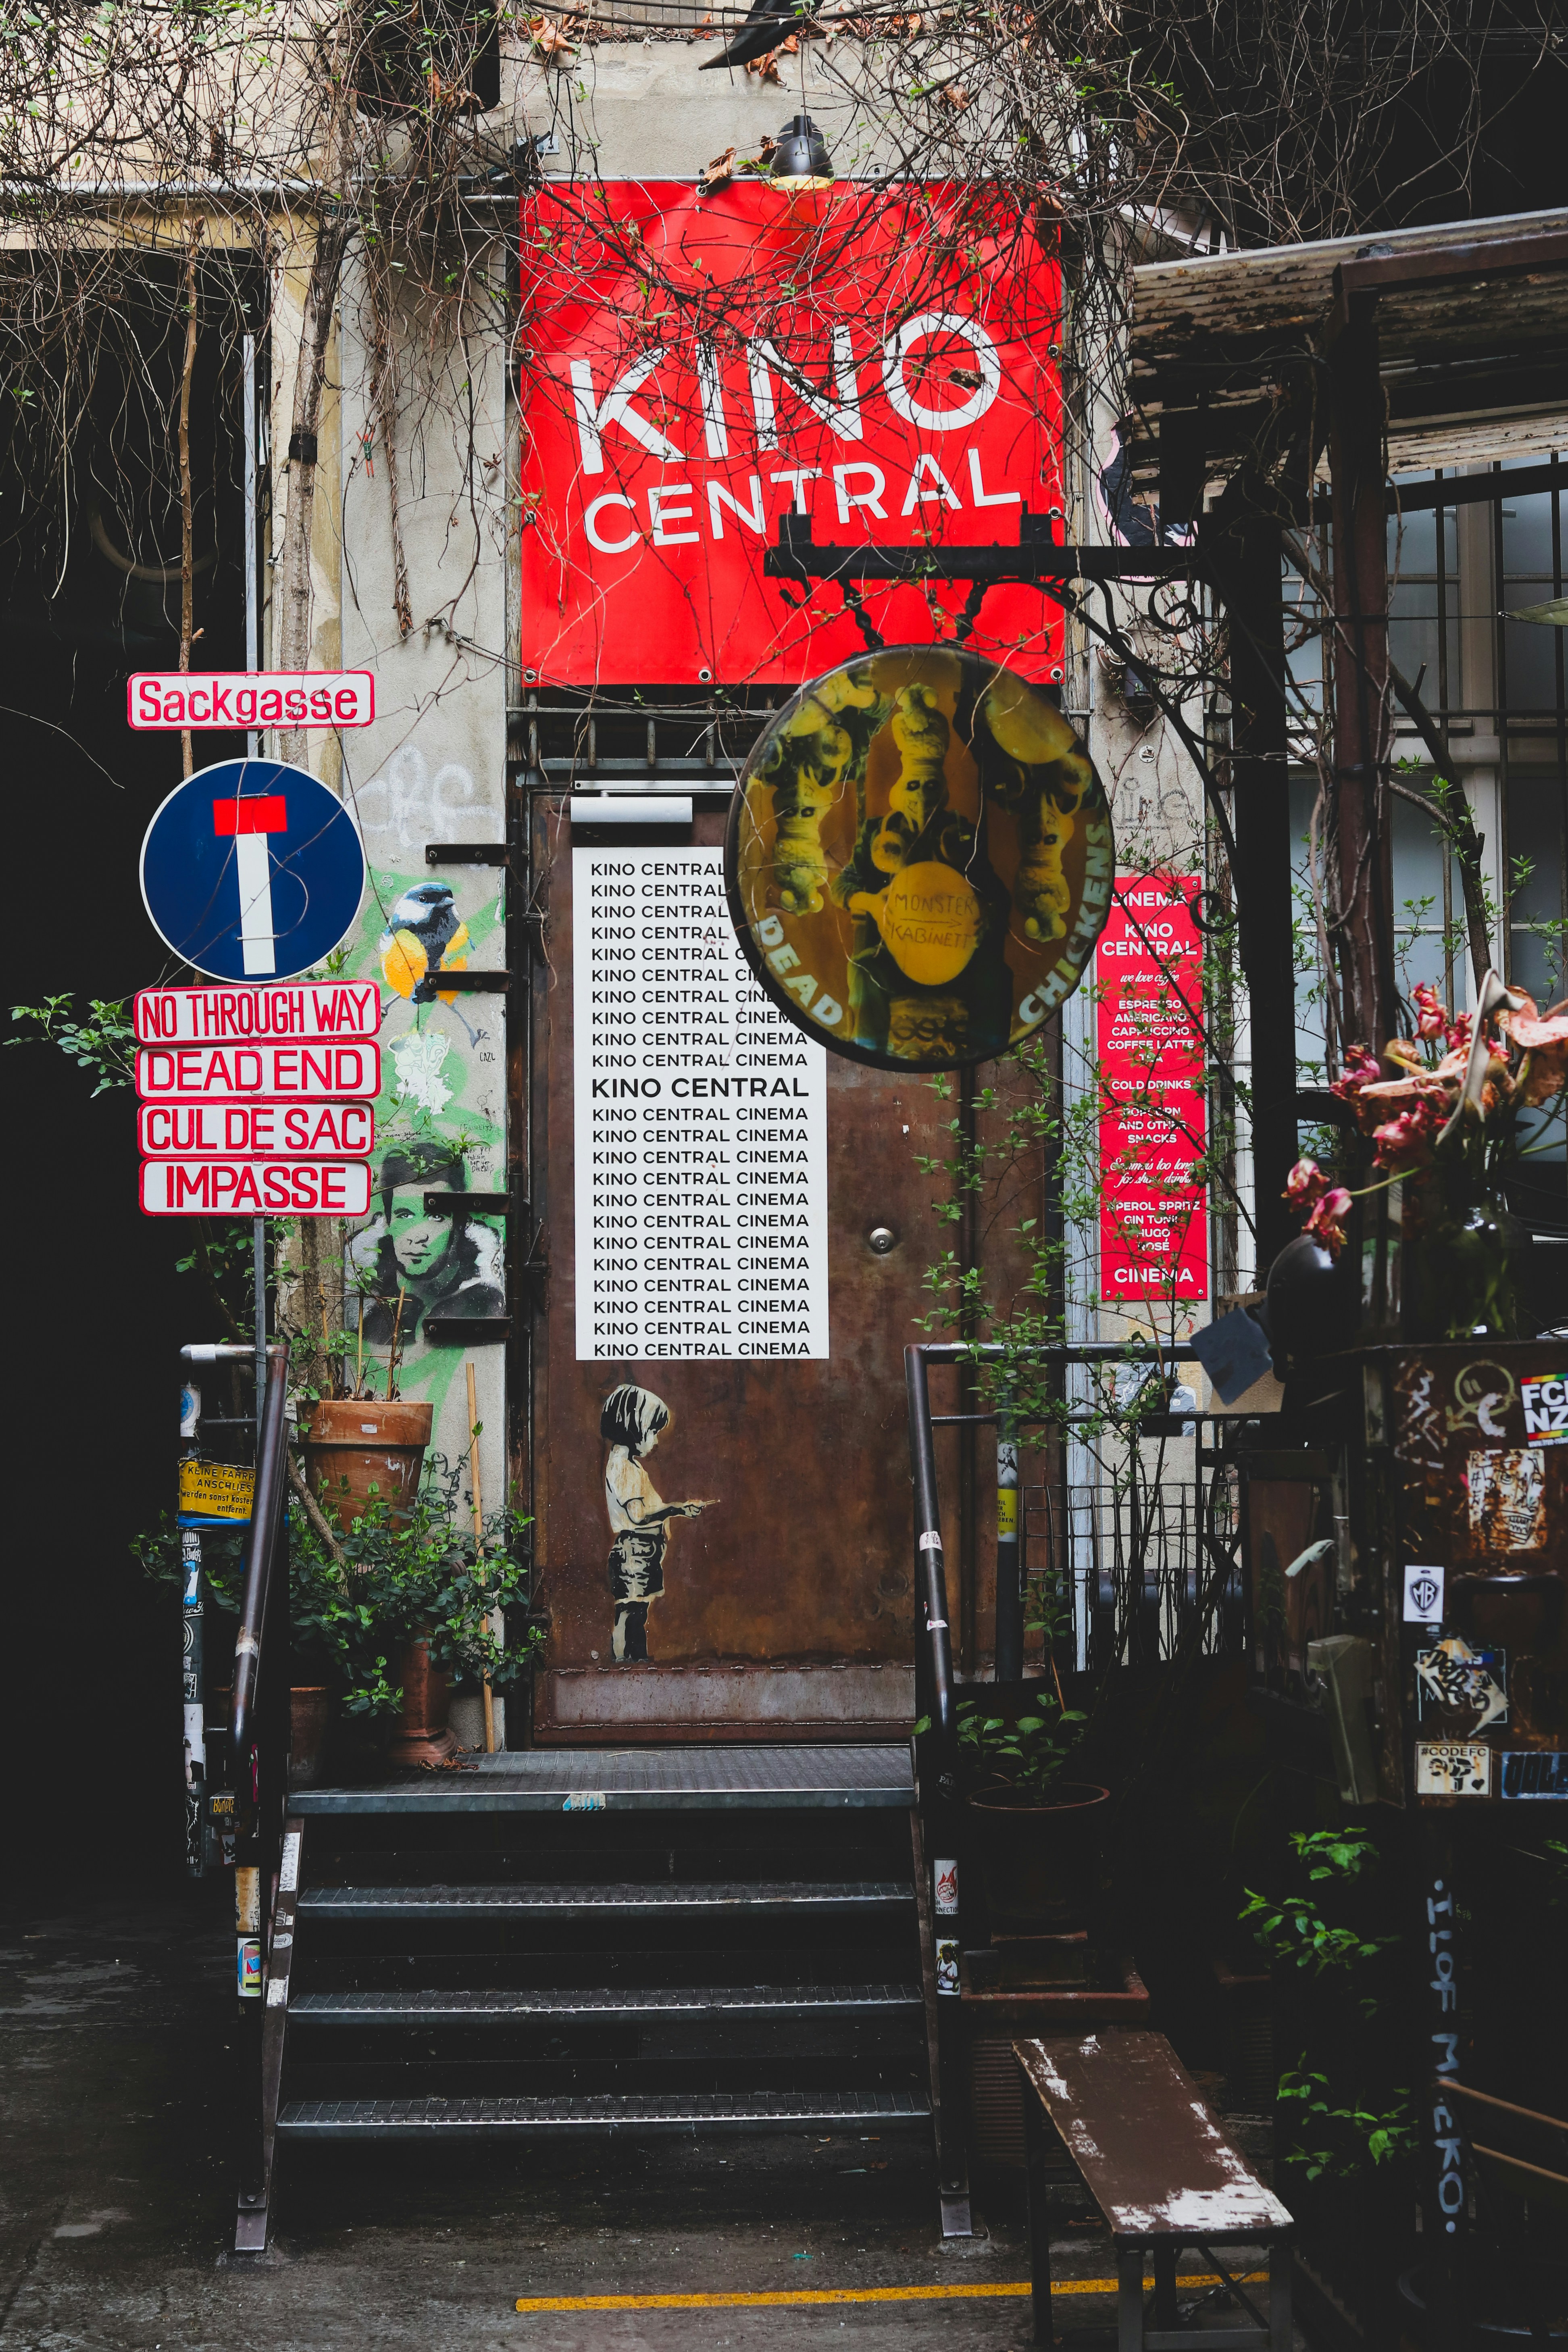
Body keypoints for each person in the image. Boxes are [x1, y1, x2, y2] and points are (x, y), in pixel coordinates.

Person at [600, 1385, 714, 1663]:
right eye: (653, 1432)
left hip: (642, 1552)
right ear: (633, 1427)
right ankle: (626, 1664)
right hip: (634, 1552)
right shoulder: (623, 1467)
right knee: (631, 1611)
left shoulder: (630, 1465)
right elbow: (638, 1515)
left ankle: (634, 1661)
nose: (656, 1441)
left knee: (638, 1611)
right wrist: (673, 1509)